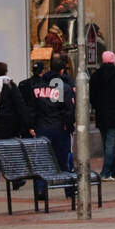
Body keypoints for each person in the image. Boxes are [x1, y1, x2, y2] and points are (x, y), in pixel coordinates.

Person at [0, 62, 34, 191]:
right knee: (11, 153)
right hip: (9, 127)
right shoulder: (10, 86)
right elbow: (20, 106)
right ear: (5, 72)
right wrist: (28, 124)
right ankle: (16, 179)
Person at [31, 54, 75, 196]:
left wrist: (33, 126)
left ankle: (40, 189)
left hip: (42, 128)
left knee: (43, 160)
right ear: (62, 70)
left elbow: (33, 109)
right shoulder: (65, 88)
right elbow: (69, 110)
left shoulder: (37, 87)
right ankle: (69, 189)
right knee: (64, 160)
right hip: (59, 128)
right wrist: (69, 126)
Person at [89, 50, 115, 181]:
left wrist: (96, 107)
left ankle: (112, 170)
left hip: (102, 114)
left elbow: (92, 96)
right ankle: (106, 172)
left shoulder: (96, 76)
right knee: (110, 143)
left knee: (106, 142)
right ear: (113, 60)